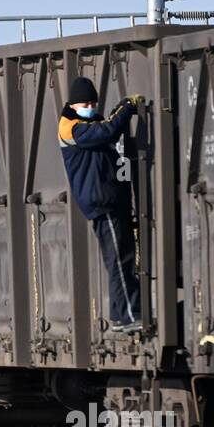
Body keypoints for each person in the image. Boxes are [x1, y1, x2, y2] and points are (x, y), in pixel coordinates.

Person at [58, 76, 143, 333]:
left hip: (110, 201)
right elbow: (106, 131)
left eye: (94, 102)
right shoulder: (72, 128)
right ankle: (129, 316)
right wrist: (126, 108)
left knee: (120, 259)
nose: (91, 106)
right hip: (101, 203)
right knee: (120, 260)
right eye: (86, 102)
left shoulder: (86, 123)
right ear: (73, 105)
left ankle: (120, 315)